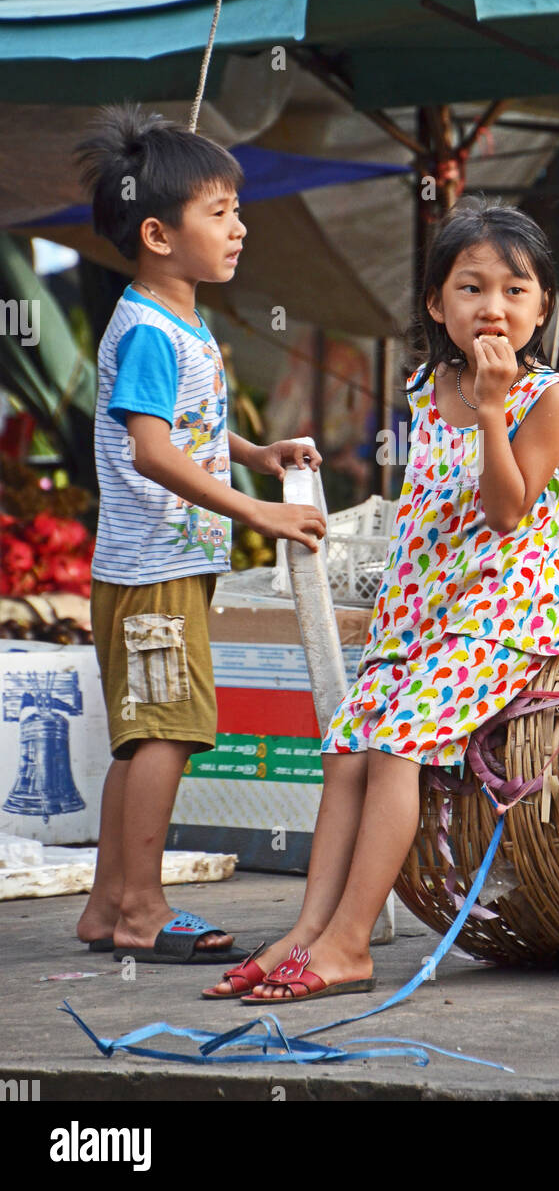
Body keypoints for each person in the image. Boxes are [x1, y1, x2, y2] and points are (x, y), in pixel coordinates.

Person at [204, 199, 559, 1002]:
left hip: (502, 615)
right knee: (346, 747)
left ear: (543, 305)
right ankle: (310, 929)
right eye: (470, 288)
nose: (492, 308)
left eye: (515, 291)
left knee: (396, 747)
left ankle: (351, 943)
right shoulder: (428, 381)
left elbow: (508, 510)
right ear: (434, 304)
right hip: (418, 612)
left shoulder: (552, 399)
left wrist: (491, 407)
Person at [74, 105, 326, 964]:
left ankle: (109, 905)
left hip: (156, 566)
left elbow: (181, 432)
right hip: (153, 573)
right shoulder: (148, 327)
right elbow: (150, 454)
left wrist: (254, 453)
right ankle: (143, 909)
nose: (238, 228)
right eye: (218, 213)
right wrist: (254, 509)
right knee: (166, 733)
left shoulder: (179, 320)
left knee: (145, 732)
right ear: (156, 232)